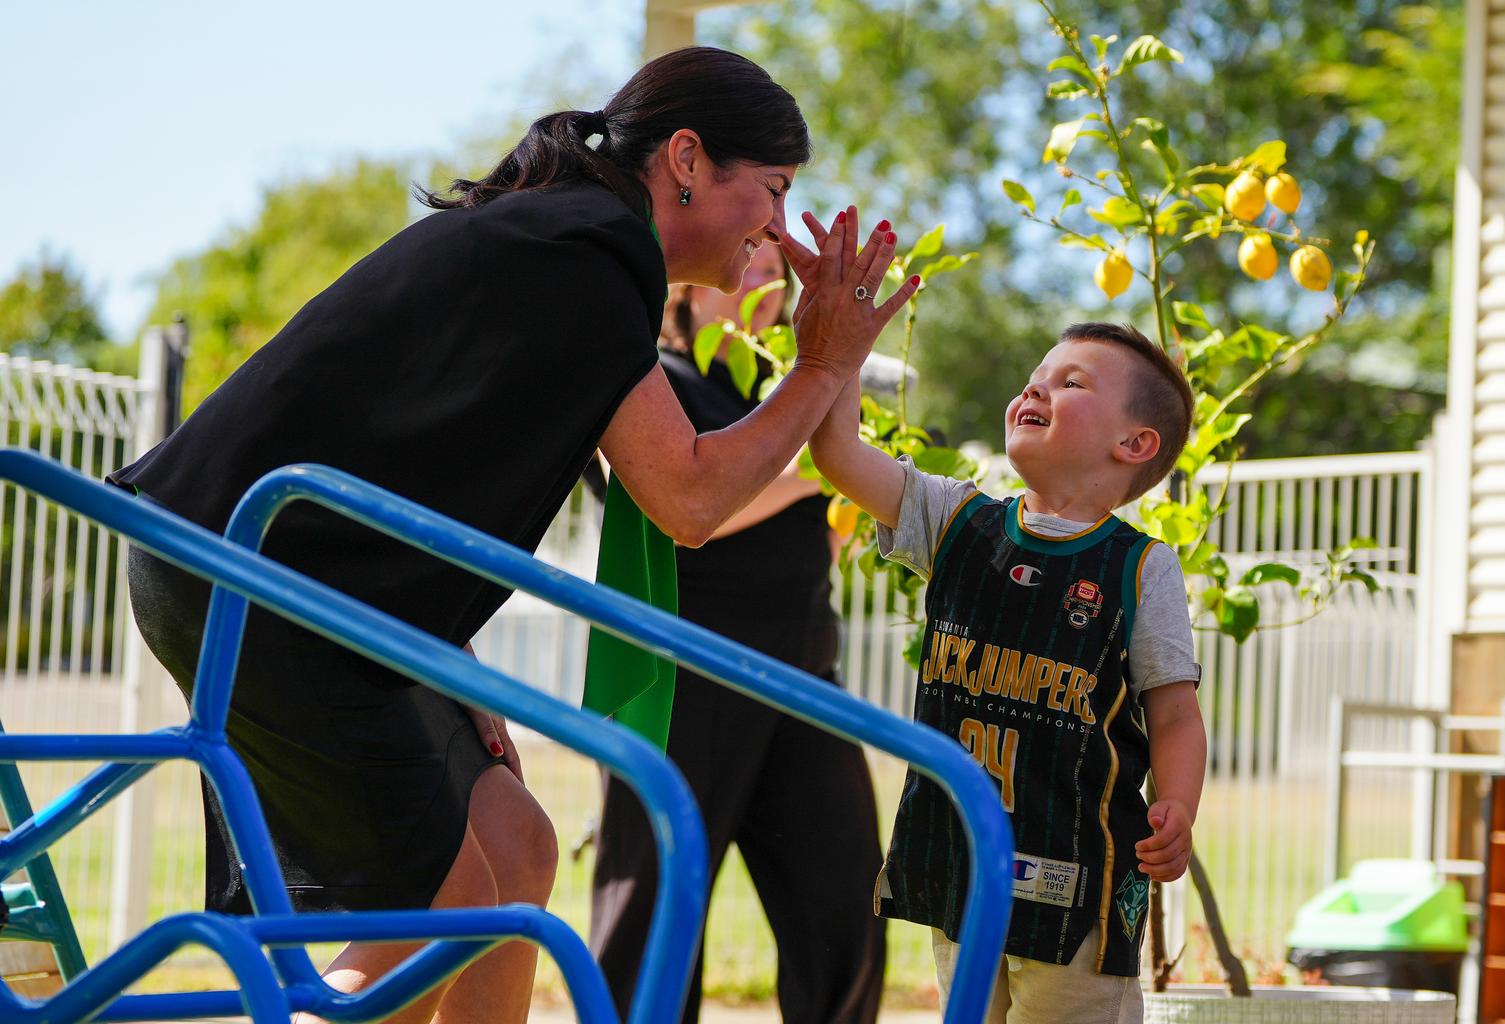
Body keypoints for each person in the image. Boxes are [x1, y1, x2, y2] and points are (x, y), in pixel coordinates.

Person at [110, 46, 919, 1024]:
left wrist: (441, 651)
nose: (778, 231)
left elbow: (404, 446)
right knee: (441, 911)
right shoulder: (586, 253)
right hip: (254, 572)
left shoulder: (576, 246)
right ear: (689, 160)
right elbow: (690, 498)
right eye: (775, 190)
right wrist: (824, 365)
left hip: (291, 577)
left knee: (516, 849)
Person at [808, 321, 1208, 1024]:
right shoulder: (955, 520)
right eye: (1037, 375)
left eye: (1071, 381)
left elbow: (1174, 712)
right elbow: (838, 453)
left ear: (1134, 444)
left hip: (1076, 891)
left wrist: (1177, 801)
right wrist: (837, 343)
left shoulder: (1142, 568)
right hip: (961, 870)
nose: (1036, 386)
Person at [589, 244, 885, 1023]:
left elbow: (827, 532)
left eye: (774, 266)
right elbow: (691, 510)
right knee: (652, 902)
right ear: (682, 293)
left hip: (799, 672)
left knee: (844, 895)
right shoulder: (648, 381)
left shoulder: (785, 392)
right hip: (682, 680)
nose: (766, 270)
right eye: (747, 258)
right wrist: (821, 466)